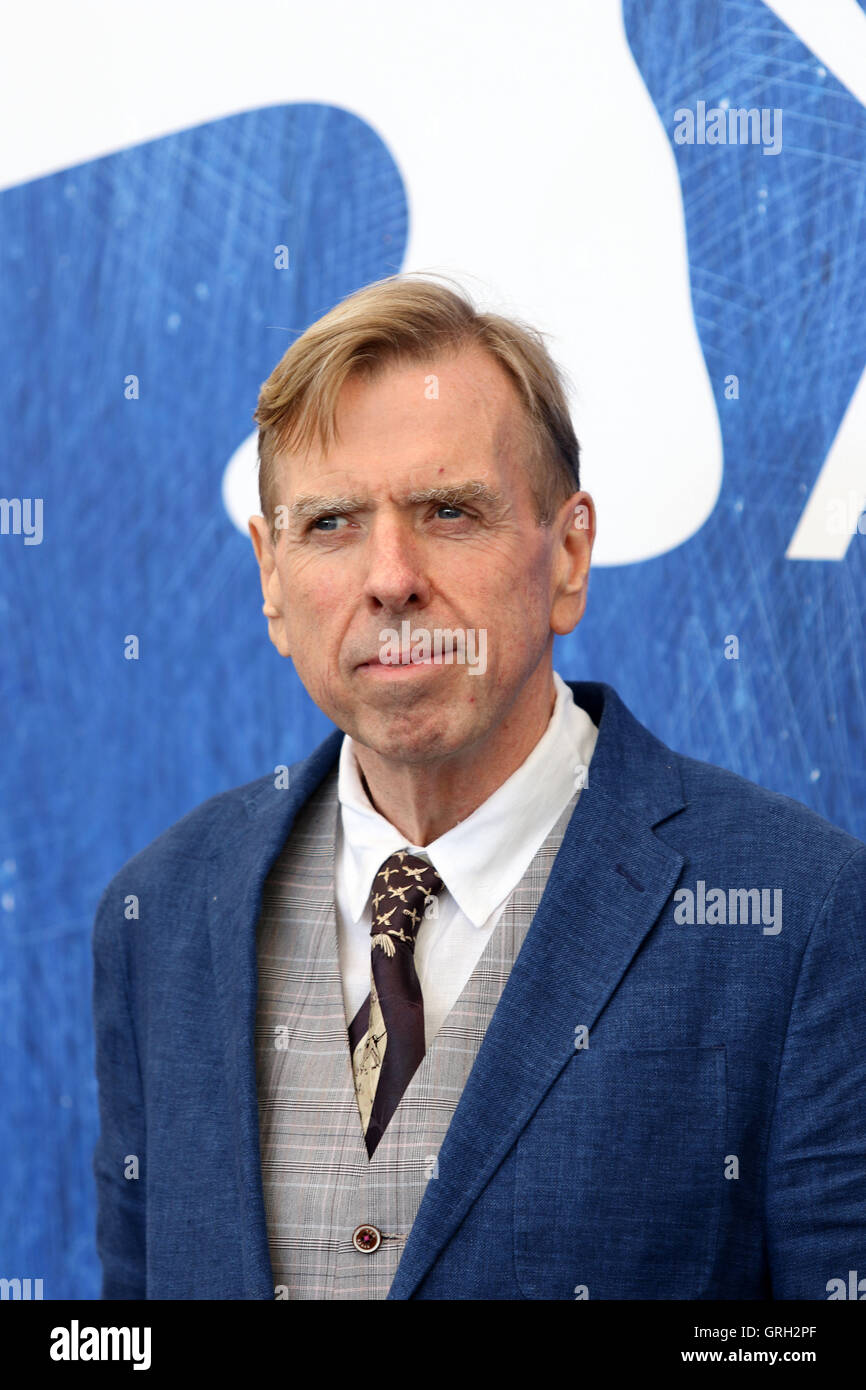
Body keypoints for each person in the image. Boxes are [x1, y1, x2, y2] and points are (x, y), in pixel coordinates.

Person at [92, 275, 866, 1300]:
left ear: (567, 554)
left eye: (447, 510)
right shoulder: (160, 915)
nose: (390, 576)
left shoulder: (800, 916)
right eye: (328, 524)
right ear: (270, 579)